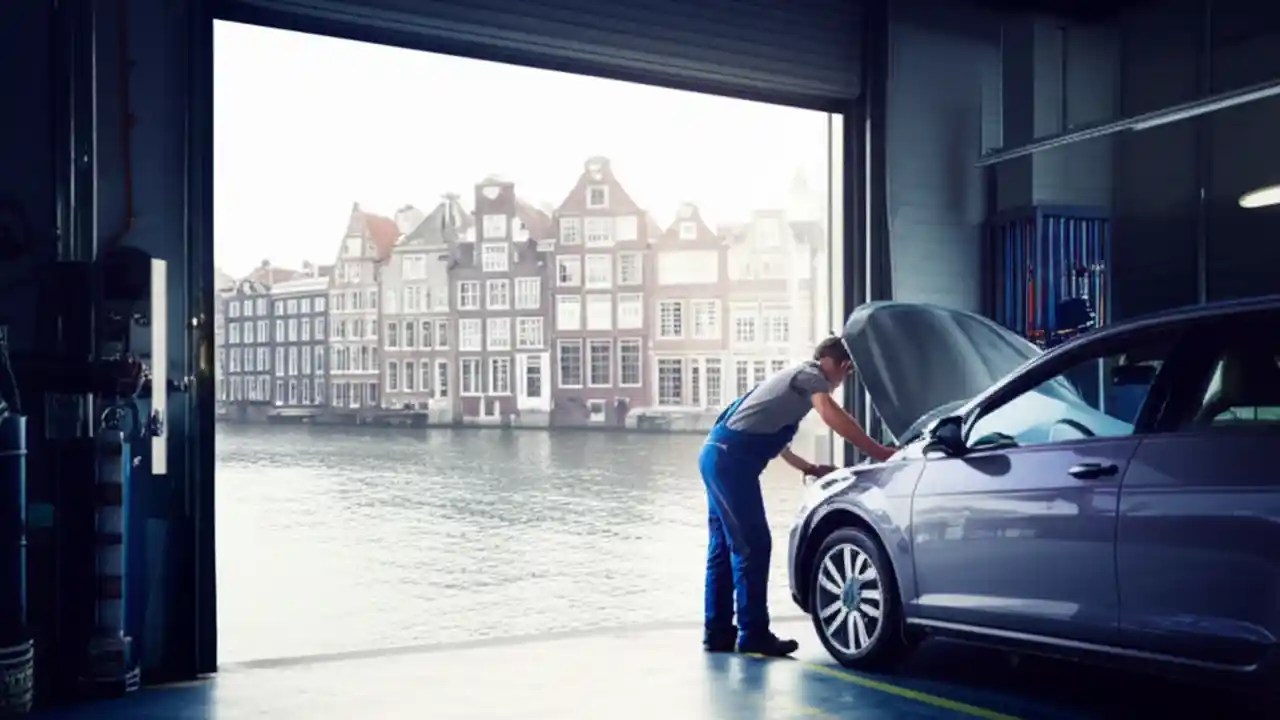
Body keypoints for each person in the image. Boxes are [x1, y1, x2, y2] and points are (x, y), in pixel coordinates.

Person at [699, 336, 895, 656]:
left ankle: (718, 632)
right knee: (753, 544)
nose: (842, 380)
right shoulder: (811, 374)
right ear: (842, 364)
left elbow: (774, 442)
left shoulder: (789, 383)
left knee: (723, 548)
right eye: (847, 373)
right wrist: (880, 452)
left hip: (716, 455)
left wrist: (813, 468)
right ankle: (753, 633)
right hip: (729, 462)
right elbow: (829, 413)